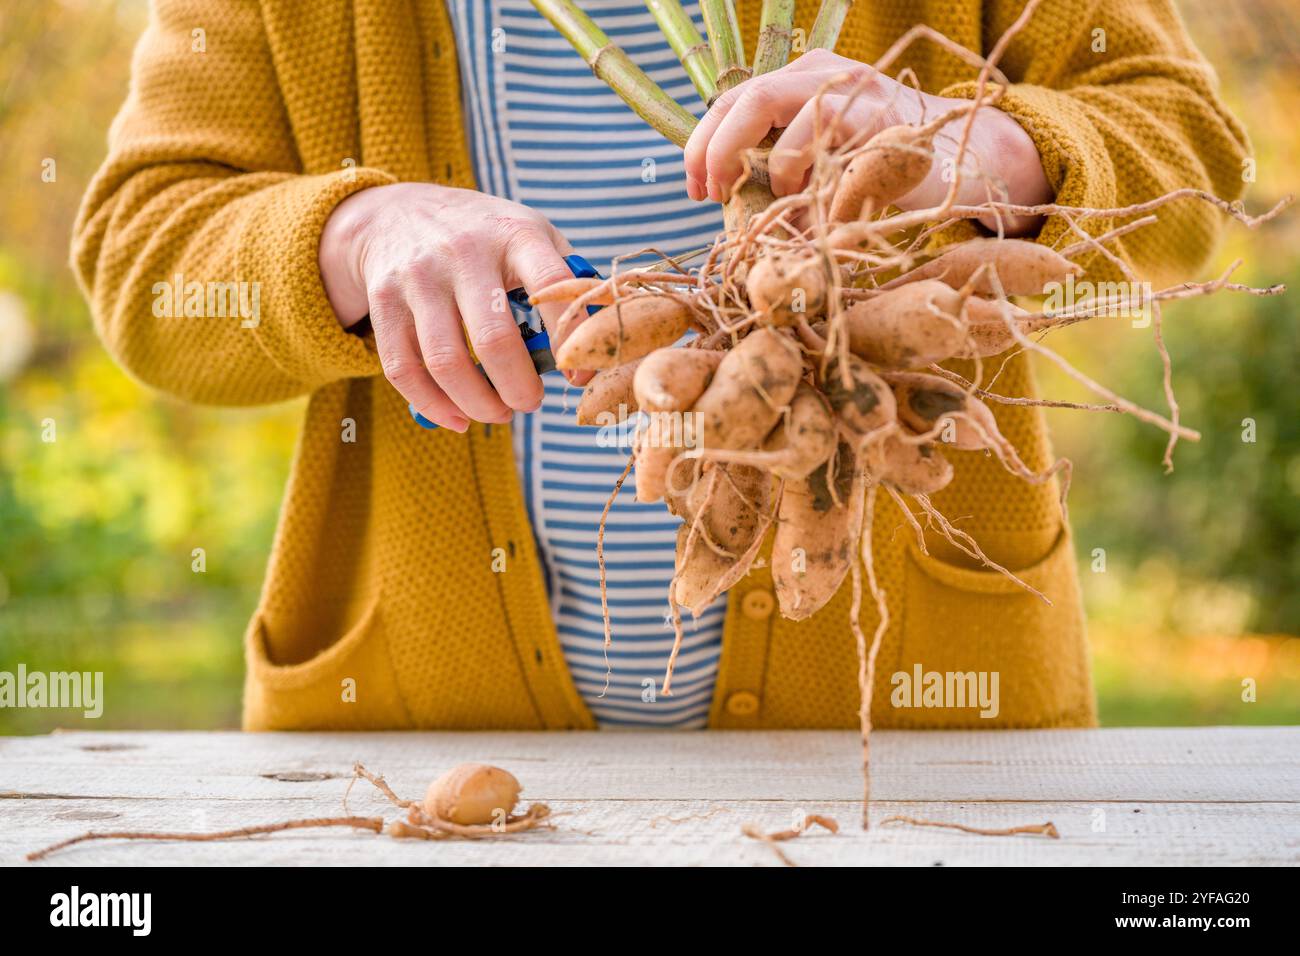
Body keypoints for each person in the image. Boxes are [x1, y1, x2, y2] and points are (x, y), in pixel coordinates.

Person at [74, 0, 1247, 731]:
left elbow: (1185, 141)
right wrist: (347, 237)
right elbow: (144, 256)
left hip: (914, 751)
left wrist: (984, 150)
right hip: (421, 739)